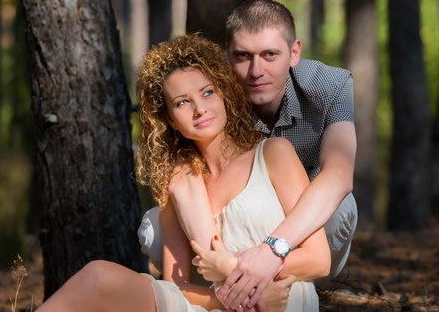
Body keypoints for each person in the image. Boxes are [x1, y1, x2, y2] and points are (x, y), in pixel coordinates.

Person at [36, 34, 330, 312]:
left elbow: (319, 259)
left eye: (207, 93)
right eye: (182, 102)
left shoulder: (273, 155)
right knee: (98, 276)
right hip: (220, 305)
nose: (199, 109)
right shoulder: (180, 182)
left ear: (224, 94)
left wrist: (236, 272)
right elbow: (176, 287)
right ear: (171, 120)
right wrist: (230, 299)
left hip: (280, 301)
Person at [139, 0, 358, 310]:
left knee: (338, 204)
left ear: (294, 52)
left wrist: (269, 254)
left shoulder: (328, 86)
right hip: (227, 231)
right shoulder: (219, 85)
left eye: (270, 55)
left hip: (304, 223)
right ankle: (235, 290)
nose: (256, 71)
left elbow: (338, 174)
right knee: (156, 222)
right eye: (243, 56)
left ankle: (274, 281)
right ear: (228, 56)